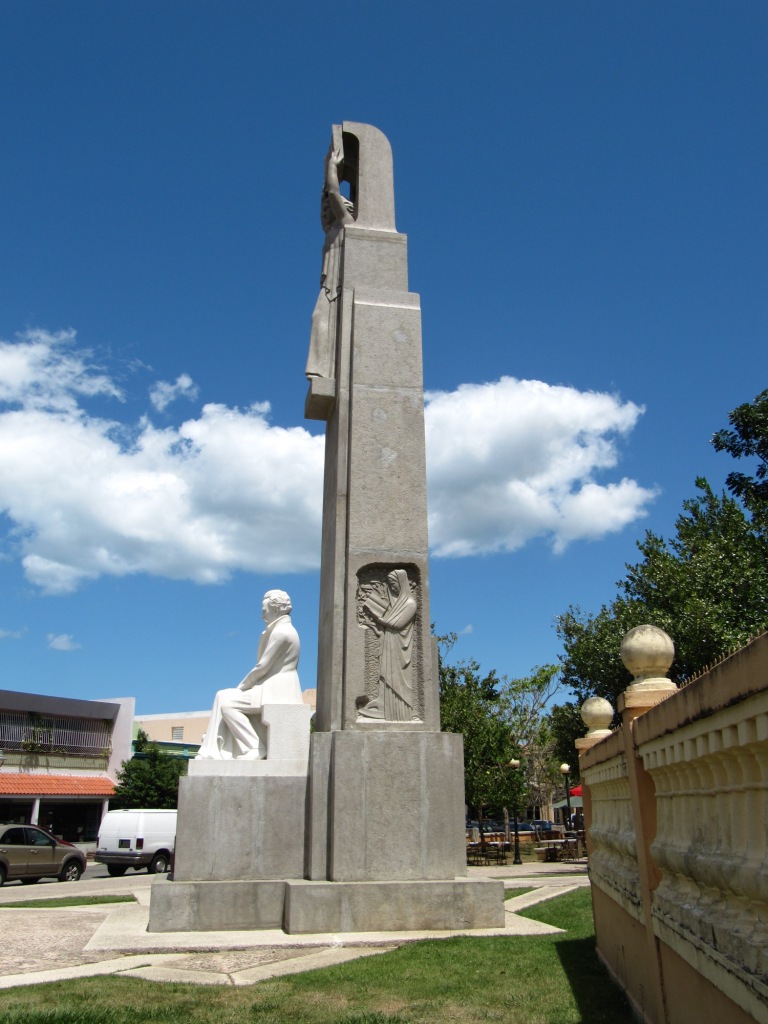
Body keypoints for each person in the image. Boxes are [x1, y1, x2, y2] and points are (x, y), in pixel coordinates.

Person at [196, 590, 302, 760]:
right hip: (268, 685)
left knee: (229, 704)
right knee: (222, 695)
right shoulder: (277, 630)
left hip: (278, 688)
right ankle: (212, 750)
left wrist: (241, 688)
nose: (262, 615)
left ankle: (255, 747)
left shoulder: (282, 632)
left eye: (264, 609)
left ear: (275, 609)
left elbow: (262, 667)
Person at [305, 143, 355, 381]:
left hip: (337, 290)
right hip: (328, 289)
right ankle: (321, 370)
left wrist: (332, 170)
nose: (327, 211)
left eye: (332, 208)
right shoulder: (331, 230)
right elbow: (328, 197)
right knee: (319, 321)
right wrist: (325, 184)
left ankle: (324, 371)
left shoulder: (348, 224)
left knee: (322, 321)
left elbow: (334, 195)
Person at [358, 569, 418, 722]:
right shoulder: (396, 604)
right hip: (389, 643)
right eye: (390, 584)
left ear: (401, 583)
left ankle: (401, 713)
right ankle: (384, 705)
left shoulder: (410, 604)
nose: (392, 588)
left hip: (400, 648)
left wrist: (376, 616)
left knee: (398, 679)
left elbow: (395, 624)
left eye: (393, 584)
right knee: (385, 675)